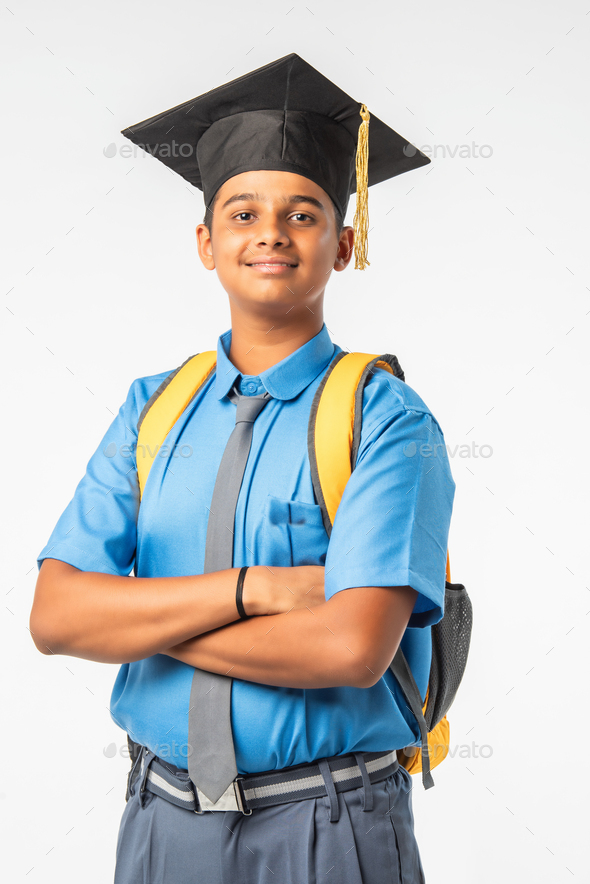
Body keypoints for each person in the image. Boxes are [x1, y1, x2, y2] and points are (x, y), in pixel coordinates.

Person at [30, 53, 456, 884]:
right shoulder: (151, 410)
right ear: (207, 242)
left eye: (303, 214)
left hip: (327, 826)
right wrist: (252, 591)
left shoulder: (388, 421)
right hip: (159, 822)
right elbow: (55, 618)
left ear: (345, 244)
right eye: (242, 212)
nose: (270, 232)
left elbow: (349, 649)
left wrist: (139, 624)